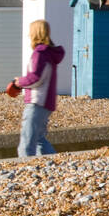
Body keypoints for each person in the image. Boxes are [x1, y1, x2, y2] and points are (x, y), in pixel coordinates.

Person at [10, 19, 65, 156]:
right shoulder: (49, 53)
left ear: (35, 33)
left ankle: (25, 168)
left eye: (30, 32)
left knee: (26, 142)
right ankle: (55, 165)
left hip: (37, 102)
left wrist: (18, 82)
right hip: (46, 102)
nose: (28, 35)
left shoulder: (39, 54)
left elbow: (35, 78)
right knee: (40, 139)